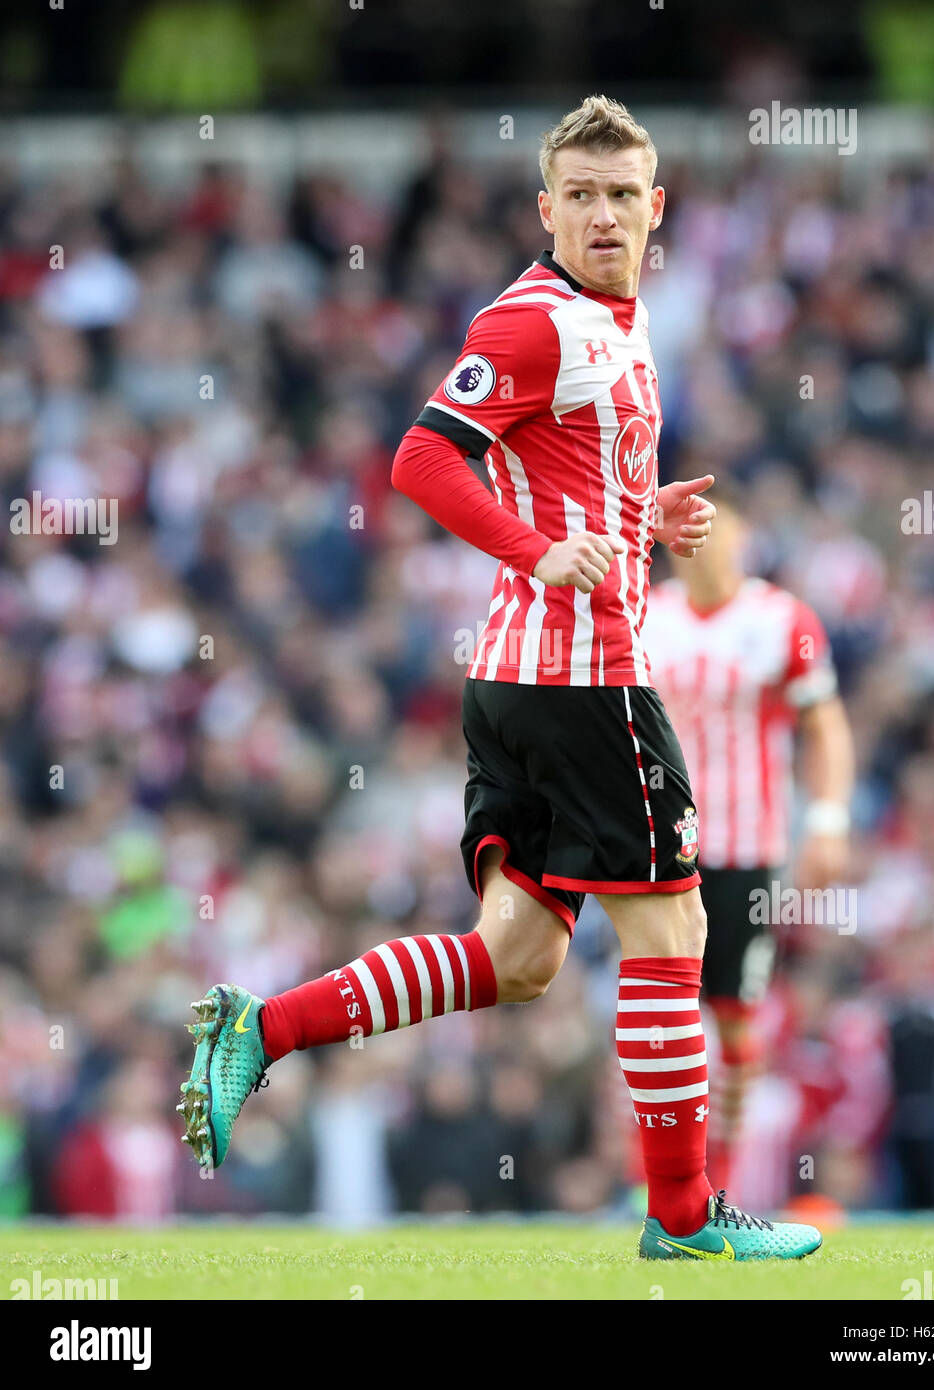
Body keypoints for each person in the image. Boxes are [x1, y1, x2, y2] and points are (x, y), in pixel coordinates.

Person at [180, 95, 822, 1261]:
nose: (601, 214)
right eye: (578, 195)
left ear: (655, 207)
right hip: (586, 680)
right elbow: (421, 457)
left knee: (518, 958)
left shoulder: (616, 324)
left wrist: (641, 519)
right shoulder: (536, 322)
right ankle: (683, 1218)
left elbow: (563, 477)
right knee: (672, 930)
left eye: (622, 195)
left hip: (516, 682)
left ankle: (258, 1030)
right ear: (545, 208)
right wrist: (537, 550)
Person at [640, 483, 854, 1193]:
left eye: (717, 530)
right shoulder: (644, 616)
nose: (704, 547)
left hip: (746, 849)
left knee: (732, 1018)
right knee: (659, 1017)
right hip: (656, 849)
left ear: (739, 539)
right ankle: (665, 1182)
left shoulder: (779, 619)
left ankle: (718, 1179)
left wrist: (825, 819)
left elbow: (823, 724)